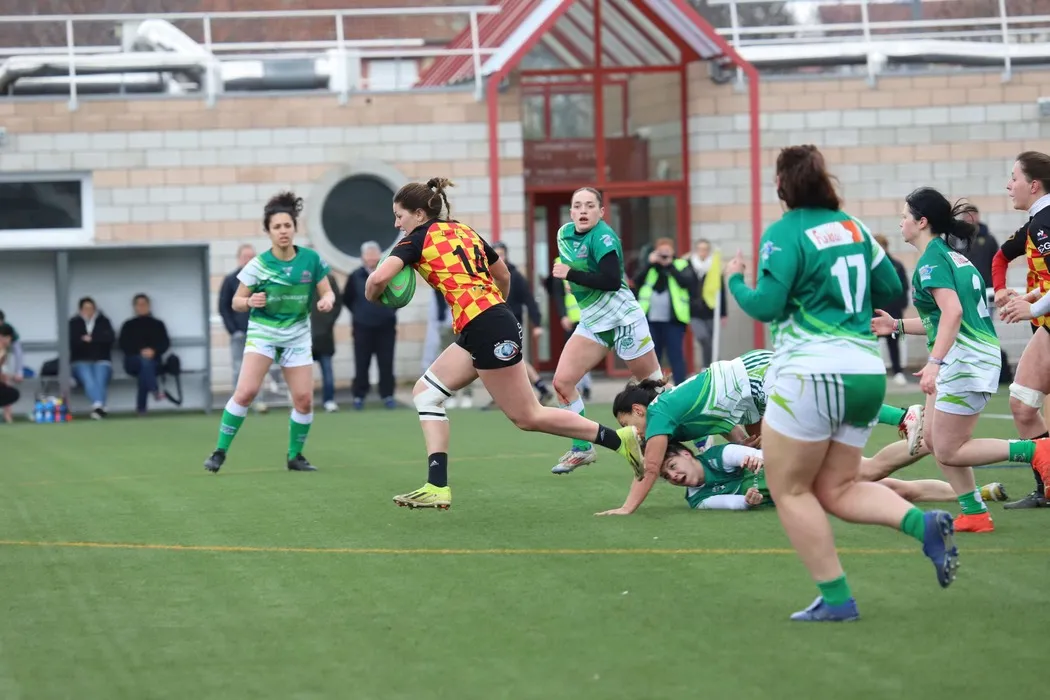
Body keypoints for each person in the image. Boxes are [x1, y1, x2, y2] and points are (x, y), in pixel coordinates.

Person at [726, 145, 959, 622]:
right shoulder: (853, 227)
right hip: (865, 372)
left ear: (782, 184)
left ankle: (837, 600)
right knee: (838, 488)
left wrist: (734, 281)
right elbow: (891, 289)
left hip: (811, 373)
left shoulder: (784, 232)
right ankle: (925, 526)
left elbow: (766, 305)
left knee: (790, 490)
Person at [364, 178, 643, 509]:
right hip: (486, 323)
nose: (397, 224)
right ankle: (436, 485)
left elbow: (378, 277)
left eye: (399, 216)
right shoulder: (463, 231)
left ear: (420, 214)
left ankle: (618, 440)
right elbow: (504, 275)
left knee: (528, 416)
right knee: (426, 394)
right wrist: (497, 311)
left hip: (486, 327)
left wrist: (374, 296)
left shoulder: (415, 240)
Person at [871, 186, 1050, 532]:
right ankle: (975, 513)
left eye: (905, 216)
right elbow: (942, 319)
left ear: (922, 222)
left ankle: (1036, 451)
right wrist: (896, 325)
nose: (900, 222)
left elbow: (952, 314)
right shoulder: (950, 256)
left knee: (949, 450)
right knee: (934, 440)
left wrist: (934, 363)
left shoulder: (931, 262)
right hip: (972, 354)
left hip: (964, 359)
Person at [607, 359, 941, 515]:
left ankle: (905, 417)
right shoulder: (672, 421)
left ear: (638, 409)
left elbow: (652, 467)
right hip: (750, 400)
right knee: (847, 456)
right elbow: (720, 421)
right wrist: (743, 442)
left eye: (629, 424)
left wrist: (627, 507)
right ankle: (931, 438)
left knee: (824, 408)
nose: (634, 432)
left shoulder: (660, 414)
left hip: (754, 377)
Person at [203, 191, 336, 473]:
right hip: (263, 335)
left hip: (297, 337)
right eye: (277, 227)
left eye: (287, 225)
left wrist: (327, 300)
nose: (283, 231)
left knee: (304, 400)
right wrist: (250, 301)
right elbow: (236, 302)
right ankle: (219, 451)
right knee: (246, 393)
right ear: (268, 231)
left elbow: (328, 291)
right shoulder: (258, 264)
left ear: (294, 228)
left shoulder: (311, 259)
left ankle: (295, 456)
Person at [548, 187, 662, 475]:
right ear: (571, 212)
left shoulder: (604, 237)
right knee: (562, 382)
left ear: (601, 211)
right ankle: (582, 448)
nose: (583, 211)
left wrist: (570, 274)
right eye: (578, 206)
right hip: (594, 322)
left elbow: (611, 281)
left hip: (624, 319)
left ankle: (700, 438)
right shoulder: (564, 234)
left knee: (655, 389)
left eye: (590, 205)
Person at [659, 442, 1006, 511]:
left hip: (808, 467)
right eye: (667, 476)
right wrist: (749, 500)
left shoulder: (717, 455)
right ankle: (978, 494)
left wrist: (755, 460)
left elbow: (749, 456)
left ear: (686, 454)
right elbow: (732, 503)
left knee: (873, 469)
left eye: (672, 466)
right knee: (896, 489)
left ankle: (929, 439)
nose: (673, 476)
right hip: (809, 491)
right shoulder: (698, 500)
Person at [990, 151, 1050, 509]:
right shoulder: (1037, 223)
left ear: (1034, 185)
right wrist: (1028, 297)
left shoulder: (1044, 224)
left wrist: (1034, 307)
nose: (1008, 185)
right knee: (1024, 405)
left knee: (1023, 403)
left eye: (1014, 178)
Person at [487, 240, 553, 407]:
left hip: (510, 323)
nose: (500, 257)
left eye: (502, 254)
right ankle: (508, 395)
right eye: (497, 254)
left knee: (511, 357)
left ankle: (534, 391)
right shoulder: (488, 275)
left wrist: (537, 324)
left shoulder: (513, 276)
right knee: (502, 358)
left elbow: (529, 301)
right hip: (493, 323)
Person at [343, 241, 398, 410]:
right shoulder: (355, 276)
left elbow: (398, 295)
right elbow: (347, 299)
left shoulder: (388, 274)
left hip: (386, 327)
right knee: (362, 362)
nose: (372, 258)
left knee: (386, 362)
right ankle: (359, 396)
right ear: (362, 257)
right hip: (362, 327)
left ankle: (387, 395)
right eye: (369, 254)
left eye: (375, 254)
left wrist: (389, 311)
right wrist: (359, 313)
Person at [634, 237, 693, 385]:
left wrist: (670, 265)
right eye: (661, 252)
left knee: (676, 355)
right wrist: (649, 264)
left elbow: (687, 282)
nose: (664, 255)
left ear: (673, 252)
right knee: (653, 356)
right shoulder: (651, 267)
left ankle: (681, 386)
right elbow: (636, 281)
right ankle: (653, 387)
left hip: (674, 320)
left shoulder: (680, 264)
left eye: (667, 251)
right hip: (651, 321)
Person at [220, 244, 271, 414]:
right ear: (239, 259)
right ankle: (238, 404)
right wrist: (233, 330)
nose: (248, 260)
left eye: (251, 257)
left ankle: (259, 401)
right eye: (245, 257)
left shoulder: (263, 280)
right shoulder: (230, 280)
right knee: (238, 368)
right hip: (239, 333)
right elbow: (224, 307)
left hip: (259, 333)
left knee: (258, 369)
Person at [118, 294, 171, 416]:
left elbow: (165, 343)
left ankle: (142, 409)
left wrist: (154, 351)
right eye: (139, 304)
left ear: (149, 306)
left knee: (145, 369)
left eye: (144, 304)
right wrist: (140, 352)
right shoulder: (128, 325)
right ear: (134, 307)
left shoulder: (158, 324)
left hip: (154, 362)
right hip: (132, 362)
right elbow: (123, 344)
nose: (141, 307)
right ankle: (155, 390)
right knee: (145, 363)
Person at [872, 234, 909, 386]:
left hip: (893, 311)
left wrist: (900, 307)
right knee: (871, 344)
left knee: (893, 343)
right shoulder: (869, 265)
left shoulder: (896, 265)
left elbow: (903, 287)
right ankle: (874, 371)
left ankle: (898, 371)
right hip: (874, 312)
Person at [69, 297, 115, 419]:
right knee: (88, 378)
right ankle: (100, 405)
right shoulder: (74, 323)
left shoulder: (104, 321)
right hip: (80, 361)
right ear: (80, 310)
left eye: (91, 308)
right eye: (85, 308)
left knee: (100, 379)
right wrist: (87, 341)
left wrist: (92, 339)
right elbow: (72, 342)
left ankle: (98, 406)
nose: (89, 311)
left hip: (101, 360)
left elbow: (109, 339)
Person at [686, 239, 726, 370]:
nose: (703, 252)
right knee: (703, 338)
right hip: (694, 311)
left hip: (711, 310)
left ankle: (714, 367)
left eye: (705, 249)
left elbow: (721, 290)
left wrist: (723, 313)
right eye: (700, 249)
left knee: (712, 341)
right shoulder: (689, 265)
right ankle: (707, 366)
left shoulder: (714, 267)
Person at [311, 269, 343, 412]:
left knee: (327, 369)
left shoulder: (328, 279)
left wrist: (326, 322)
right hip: (302, 336)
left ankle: (329, 400)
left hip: (323, 335)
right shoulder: (297, 278)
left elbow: (337, 303)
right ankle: (303, 401)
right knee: (301, 372)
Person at [0, 324, 20, 422]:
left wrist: (6, 378)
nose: (10, 342)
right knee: (12, 393)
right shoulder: (2, 352)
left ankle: (8, 417)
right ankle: (8, 417)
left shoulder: (4, 351)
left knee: (7, 389)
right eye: (9, 339)